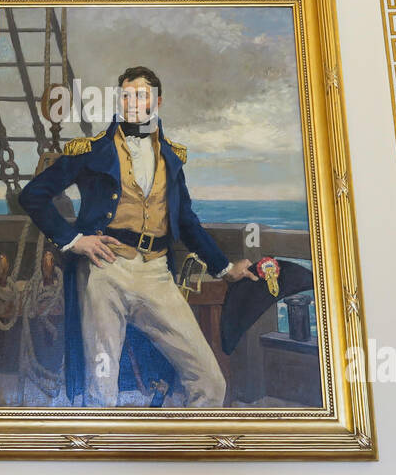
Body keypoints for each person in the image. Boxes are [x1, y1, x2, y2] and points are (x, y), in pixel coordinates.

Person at [18, 65, 257, 407]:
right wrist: (74, 240)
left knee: (210, 381)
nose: (132, 103)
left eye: (141, 95)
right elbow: (33, 195)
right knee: (101, 387)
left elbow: (186, 220)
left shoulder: (172, 157)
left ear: (156, 101)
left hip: (156, 274)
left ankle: (188, 456)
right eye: (126, 95)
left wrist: (224, 269)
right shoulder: (91, 151)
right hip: (105, 272)